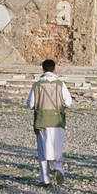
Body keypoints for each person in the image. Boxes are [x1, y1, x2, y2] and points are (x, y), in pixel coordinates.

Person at [26, 58, 72, 187]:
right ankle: (58, 168)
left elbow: (30, 104)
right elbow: (68, 102)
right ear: (54, 69)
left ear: (42, 69)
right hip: (57, 120)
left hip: (42, 120)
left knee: (42, 150)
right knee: (57, 145)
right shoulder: (60, 84)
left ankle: (45, 180)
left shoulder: (37, 84)